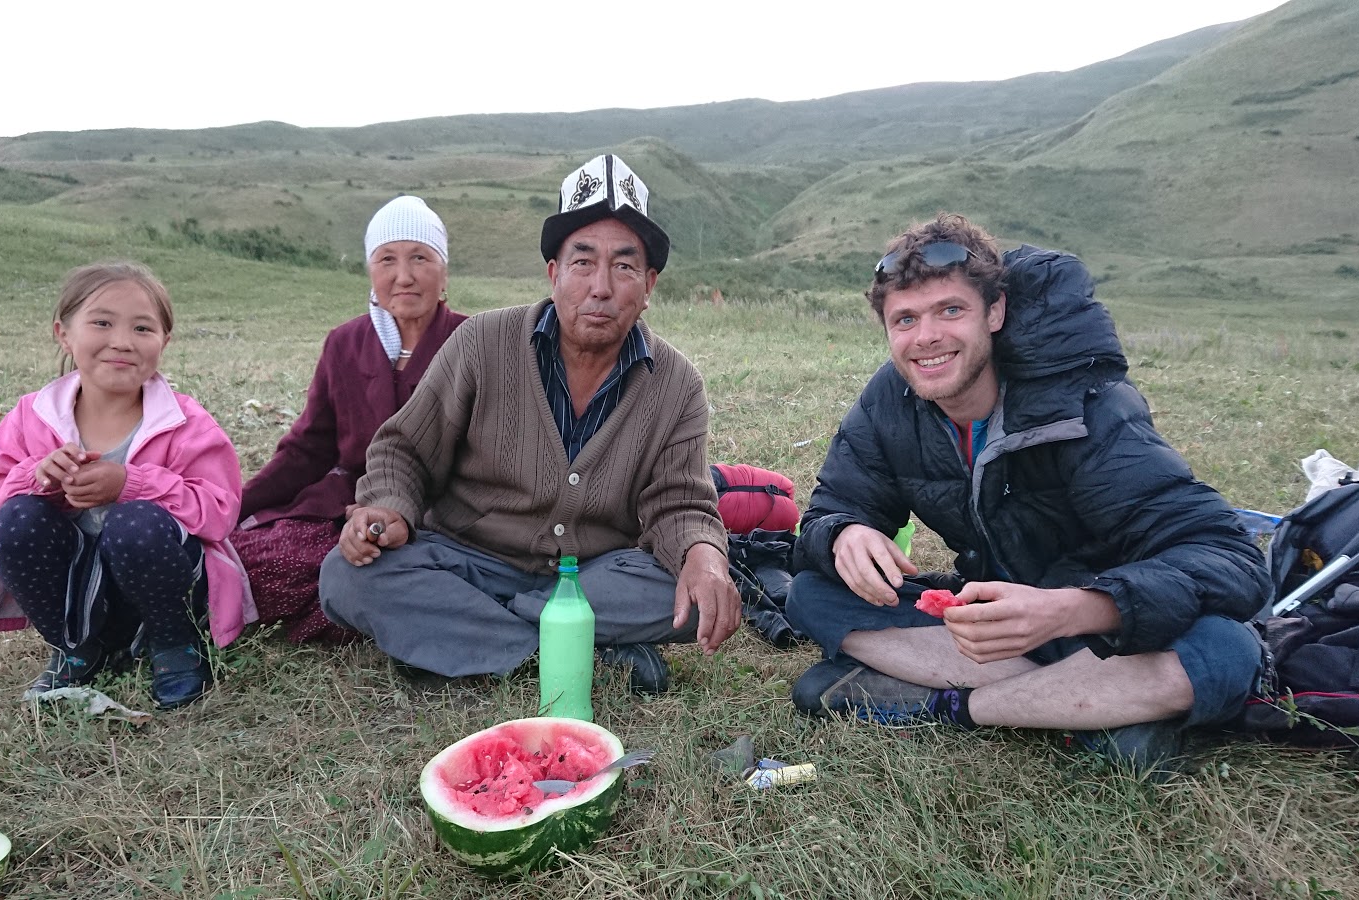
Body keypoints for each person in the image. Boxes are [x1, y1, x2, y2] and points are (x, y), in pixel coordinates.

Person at [785, 214, 1271, 774]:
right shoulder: (888, 403)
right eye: (906, 319)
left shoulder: (1085, 403)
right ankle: (1091, 708)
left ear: (994, 312)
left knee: (1224, 652)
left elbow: (1230, 560)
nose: (926, 338)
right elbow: (830, 510)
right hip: (995, 626)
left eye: (950, 310)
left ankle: (949, 706)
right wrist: (843, 533)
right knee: (812, 594)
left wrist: (1074, 609)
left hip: (1108, 631)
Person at [319, 154, 741, 693]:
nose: (601, 287)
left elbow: (680, 503)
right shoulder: (482, 343)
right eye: (583, 262)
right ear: (554, 272)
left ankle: (474, 641)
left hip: (589, 577)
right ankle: (573, 649)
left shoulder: (677, 383)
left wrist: (703, 559)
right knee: (347, 575)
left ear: (649, 283)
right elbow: (403, 451)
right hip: (466, 561)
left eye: (625, 266)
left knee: (677, 590)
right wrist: (388, 508)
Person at [0, 261, 252, 709]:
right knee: (19, 520)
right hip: (79, 592)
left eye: (143, 328)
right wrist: (39, 477)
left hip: (164, 592)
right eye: (102, 322)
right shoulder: (32, 416)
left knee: (135, 522)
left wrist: (131, 483)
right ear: (64, 332)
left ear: (164, 341)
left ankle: (174, 645)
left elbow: (219, 512)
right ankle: (77, 647)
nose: (122, 341)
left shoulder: (185, 423)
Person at [232, 196, 467, 643]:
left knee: (384, 568)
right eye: (387, 260)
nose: (404, 276)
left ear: (444, 271)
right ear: (370, 272)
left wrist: (400, 508)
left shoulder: (472, 341)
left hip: (438, 514)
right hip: (346, 506)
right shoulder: (344, 344)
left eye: (421, 257)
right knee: (252, 559)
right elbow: (309, 448)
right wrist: (237, 506)